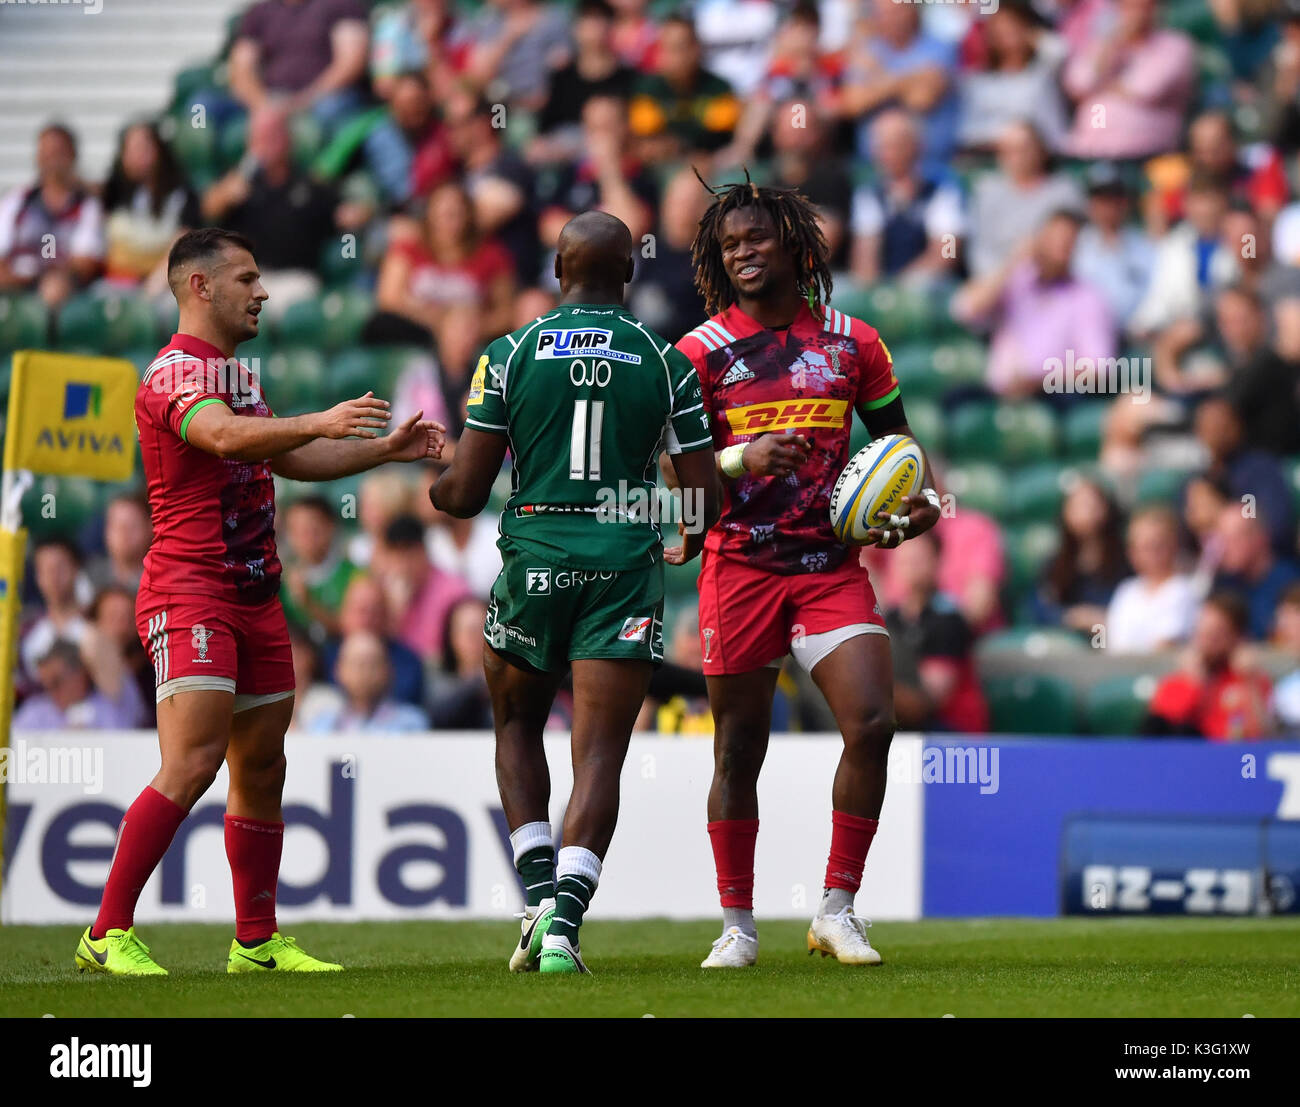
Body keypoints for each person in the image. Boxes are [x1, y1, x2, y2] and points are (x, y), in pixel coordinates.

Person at [75, 227, 445, 978]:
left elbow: (284, 454)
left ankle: (256, 941)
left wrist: (382, 449)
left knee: (263, 764)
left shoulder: (238, 375)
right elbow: (225, 438)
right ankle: (106, 930)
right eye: (246, 278)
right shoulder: (173, 373)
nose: (263, 291)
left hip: (254, 590)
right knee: (193, 761)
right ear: (200, 287)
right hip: (191, 591)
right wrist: (318, 416)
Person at [430, 211, 719, 974]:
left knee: (518, 725)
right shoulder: (667, 360)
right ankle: (563, 926)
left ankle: (534, 900)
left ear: (558, 269)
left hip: (535, 560)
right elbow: (702, 501)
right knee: (599, 755)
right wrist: (670, 522)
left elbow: (463, 496)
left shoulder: (510, 352)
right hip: (622, 565)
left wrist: (434, 472)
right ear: (627, 273)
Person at [674, 178, 940, 968]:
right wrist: (737, 457)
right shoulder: (696, 354)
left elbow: (902, 444)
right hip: (740, 567)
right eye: (730, 246)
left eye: (756, 238)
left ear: (794, 242)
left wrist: (919, 504)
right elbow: (672, 470)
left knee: (871, 723)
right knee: (737, 751)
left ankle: (837, 907)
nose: (743, 252)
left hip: (830, 566)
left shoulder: (856, 342)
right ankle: (737, 924)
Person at [1060, 0, 1196, 160]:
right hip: (1090, 151)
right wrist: (1111, 45)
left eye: (1142, 7)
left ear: (1156, 10)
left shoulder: (1175, 45)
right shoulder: (1103, 44)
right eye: (1128, 7)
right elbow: (1080, 84)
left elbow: (1146, 89)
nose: (1135, 14)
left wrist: (1100, 87)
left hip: (1144, 153)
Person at [883, 531, 988, 733]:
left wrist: (861, 688)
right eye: (903, 559)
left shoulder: (949, 619)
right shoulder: (891, 618)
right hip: (904, 725)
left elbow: (928, 702)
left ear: (936, 561)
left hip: (950, 731)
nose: (909, 566)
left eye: (917, 559)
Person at [0, 123, 104, 309]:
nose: (52, 161)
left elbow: (85, 263)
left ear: (72, 155)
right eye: (46, 152)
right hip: (15, 281)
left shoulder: (86, 205)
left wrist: (43, 275)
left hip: (61, 286)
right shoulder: (18, 200)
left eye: (58, 152)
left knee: (53, 290)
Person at [1142, 592, 1272, 740]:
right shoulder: (1181, 678)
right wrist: (1192, 683)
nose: (1205, 643)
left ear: (1236, 636)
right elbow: (1160, 727)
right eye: (1200, 633)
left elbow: (1257, 735)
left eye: (1215, 635)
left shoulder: (1250, 680)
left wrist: (1249, 682)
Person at [100, 121, 200, 293]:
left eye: (143, 147)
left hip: (161, 285)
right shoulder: (113, 193)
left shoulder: (181, 196)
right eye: (130, 149)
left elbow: (182, 245)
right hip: (116, 283)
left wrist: (150, 289)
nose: (136, 155)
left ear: (159, 149)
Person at [1034, 476, 1129, 633]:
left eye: (1092, 504)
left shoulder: (1124, 559)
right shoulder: (1055, 563)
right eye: (1077, 505)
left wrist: (1101, 617)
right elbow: (1040, 607)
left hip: (1108, 636)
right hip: (1066, 639)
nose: (1086, 511)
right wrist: (1070, 617)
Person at [1104, 506, 1198, 653]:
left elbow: (1165, 646)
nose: (1152, 554)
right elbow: (1116, 645)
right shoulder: (1126, 590)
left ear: (1173, 546)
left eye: (1158, 545)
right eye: (1143, 547)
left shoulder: (1184, 590)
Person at [305, 630, 430, 733]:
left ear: (389, 670)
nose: (364, 672)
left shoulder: (411, 723)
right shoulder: (323, 724)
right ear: (338, 671)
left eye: (373, 663)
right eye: (356, 663)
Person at [13, 636, 146, 731]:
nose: (52, 692)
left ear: (79, 675)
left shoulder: (110, 706)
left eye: (56, 682)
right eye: (45, 685)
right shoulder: (34, 712)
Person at [279, 494, 358, 641]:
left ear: (330, 527)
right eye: (296, 531)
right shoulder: (281, 582)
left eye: (312, 529)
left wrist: (309, 604)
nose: (304, 538)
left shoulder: (354, 575)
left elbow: (351, 628)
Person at [427, 596, 494, 728]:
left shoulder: (512, 683)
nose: (472, 638)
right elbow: (437, 717)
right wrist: (476, 683)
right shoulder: (435, 680)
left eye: (480, 628)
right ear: (450, 636)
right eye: (464, 630)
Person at [85, 493, 152, 595]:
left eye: (132, 526)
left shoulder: (161, 578)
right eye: (116, 526)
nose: (123, 534)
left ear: (149, 529)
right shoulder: (89, 577)